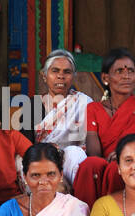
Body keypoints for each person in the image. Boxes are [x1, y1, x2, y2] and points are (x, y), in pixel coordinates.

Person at [73, 48, 135, 205]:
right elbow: (94, 152)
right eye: (119, 71)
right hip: (105, 161)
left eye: (131, 71)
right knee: (90, 164)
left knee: (118, 168)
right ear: (106, 77)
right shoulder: (94, 108)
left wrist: (125, 155)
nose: (126, 76)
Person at [33, 49, 92, 185]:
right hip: (39, 163)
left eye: (67, 72)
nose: (61, 76)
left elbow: (88, 144)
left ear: (73, 76)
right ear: (44, 75)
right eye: (55, 71)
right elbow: (24, 145)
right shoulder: (31, 106)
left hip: (72, 164)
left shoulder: (83, 102)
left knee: (74, 153)